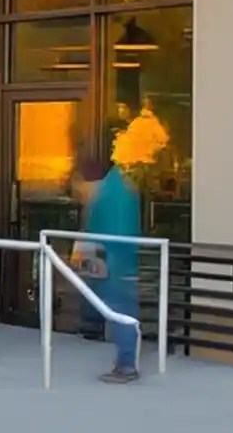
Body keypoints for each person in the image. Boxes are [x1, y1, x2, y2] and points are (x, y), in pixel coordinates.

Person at [79, 160, 142, 384]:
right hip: (124, 258)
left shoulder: (107, 194)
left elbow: (102, 229)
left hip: (115, 259)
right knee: (122, 309)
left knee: (121, 310)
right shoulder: (123, 188)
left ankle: (126, 365)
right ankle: (125, 362)